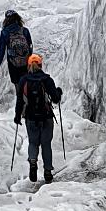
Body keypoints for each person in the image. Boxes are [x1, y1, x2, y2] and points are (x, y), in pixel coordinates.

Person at [16, 52, 62, 183]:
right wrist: (58, 91)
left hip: (30, 117)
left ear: (28, 65)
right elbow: (55, 99)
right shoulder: (47, 80)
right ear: (41, 65)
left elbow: (20, 100)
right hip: (46, 117)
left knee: (33, 142)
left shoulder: (24, 80)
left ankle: (33, 163)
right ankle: (47, 172)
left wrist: (17, 116)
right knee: (46, 144)